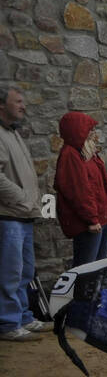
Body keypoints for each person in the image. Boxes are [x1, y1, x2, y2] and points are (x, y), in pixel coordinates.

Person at [0, 88, 45, 342]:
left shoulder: (13, 133)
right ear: (1, 105)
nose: (23, 106)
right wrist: (24, 199)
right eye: (17, 101)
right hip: (9, 217)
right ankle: (8, 323)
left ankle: (24, 317)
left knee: (25, 272)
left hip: (23, 216)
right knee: (9, 273)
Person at [54, 111, 107, 267]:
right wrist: (91, 219)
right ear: (77, 129)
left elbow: (104, 183)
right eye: (89, 129)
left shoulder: (88, 150)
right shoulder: (70, 155)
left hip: (102, 219)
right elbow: (79, 192)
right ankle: (83, 293)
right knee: (86, 269)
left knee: (99, 267)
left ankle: (95, 292)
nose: (92, 132)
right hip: (89, 224)